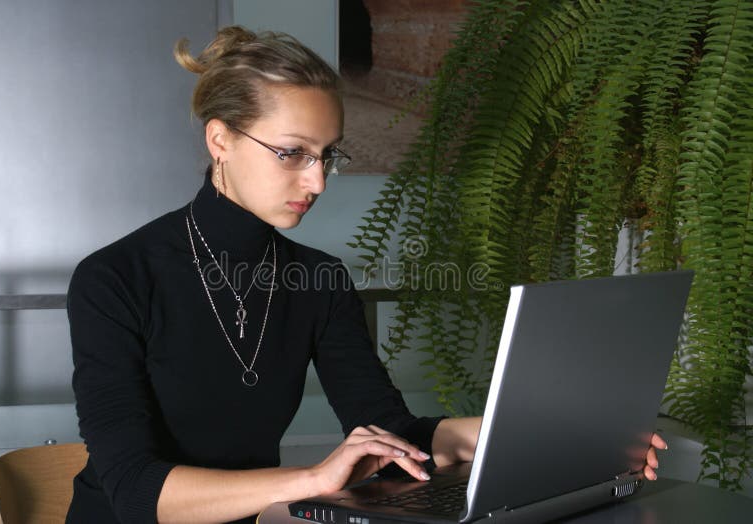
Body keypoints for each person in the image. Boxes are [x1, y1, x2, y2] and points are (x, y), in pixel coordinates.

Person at [65, 26, 666, 524]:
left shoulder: (319, 281)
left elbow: (392, 432)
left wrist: (552, 435)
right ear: (220, 139)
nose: (317, 181)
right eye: (292, 152)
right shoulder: (113, 279)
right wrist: (313, 479)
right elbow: (135, 492)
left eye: (327, 154)